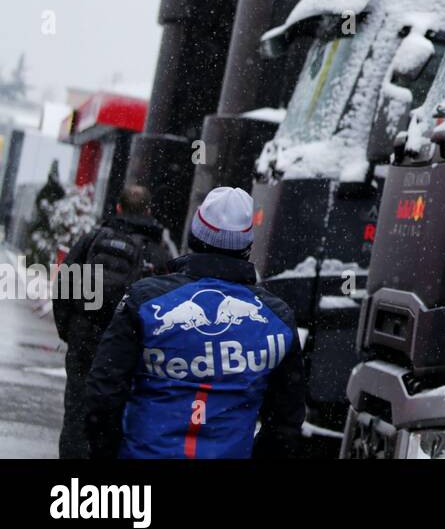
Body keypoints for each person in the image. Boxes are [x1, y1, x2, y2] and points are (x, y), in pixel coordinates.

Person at [83, 186, 305, 459]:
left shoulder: (145, 300)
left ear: (194, 236)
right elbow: (286, 423)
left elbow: (103, 394)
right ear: (247, 247)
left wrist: (106, 453)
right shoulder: (277, 319)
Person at [52, 183, 172, 459]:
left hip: (84, 337)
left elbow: (64, 285)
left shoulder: (94, 238)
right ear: (148, 211)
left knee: (76, 413)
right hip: (126, 346)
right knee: (119, 414)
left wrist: (68, 329)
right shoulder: (157, 252)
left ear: (118, 207)